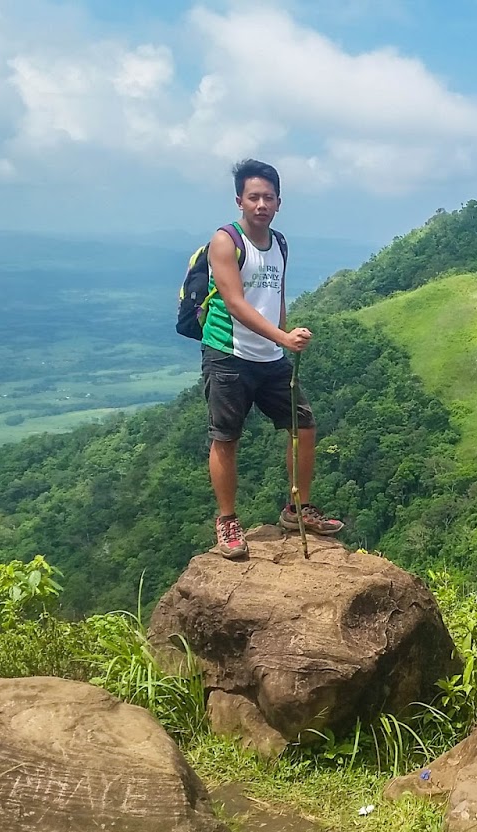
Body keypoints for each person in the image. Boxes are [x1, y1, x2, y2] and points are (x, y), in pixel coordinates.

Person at [199, 158, 343, 559]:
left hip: (269, 355)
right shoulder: (226, 241)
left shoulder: (279, 242)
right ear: (239, 201)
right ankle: (227, 521)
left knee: (304, 425)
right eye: (253, 197)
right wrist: (282, 336)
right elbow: (235, 303)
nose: (261, 204)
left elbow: (275, 293)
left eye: (268, 197)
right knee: (226, 438)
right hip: (229, 354)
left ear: (279, 202)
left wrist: (284, 336)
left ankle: (297, 509)